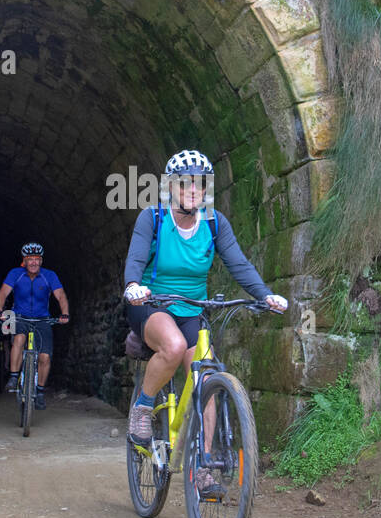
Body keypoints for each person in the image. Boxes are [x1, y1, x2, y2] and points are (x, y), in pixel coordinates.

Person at [122, 149, 287, 494]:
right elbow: (135, 260)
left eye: (200, 184)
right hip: (152, 305)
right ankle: (143, 406)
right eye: (186, 185)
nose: (194, 191)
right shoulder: (153, 218)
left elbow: (238, 263)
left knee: (206, 376)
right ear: (172, 188)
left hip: (193, 308)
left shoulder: (213, 223)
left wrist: (264, 294)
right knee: (175, 346)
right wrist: (134, 287)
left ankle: (204, 467)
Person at [0, 242, 69, 409]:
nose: (34, 262)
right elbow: (3, 293)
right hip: (20, 316)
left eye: (37, 259)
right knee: (19, 339)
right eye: (30, 259)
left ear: (41, 261)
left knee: (45, 357)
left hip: (42, 319)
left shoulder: (49, 275)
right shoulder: (16, 274)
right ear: (24, 261)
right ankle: (14, 377)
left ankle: (40, 391)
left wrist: (64, 314)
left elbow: (61, 296)